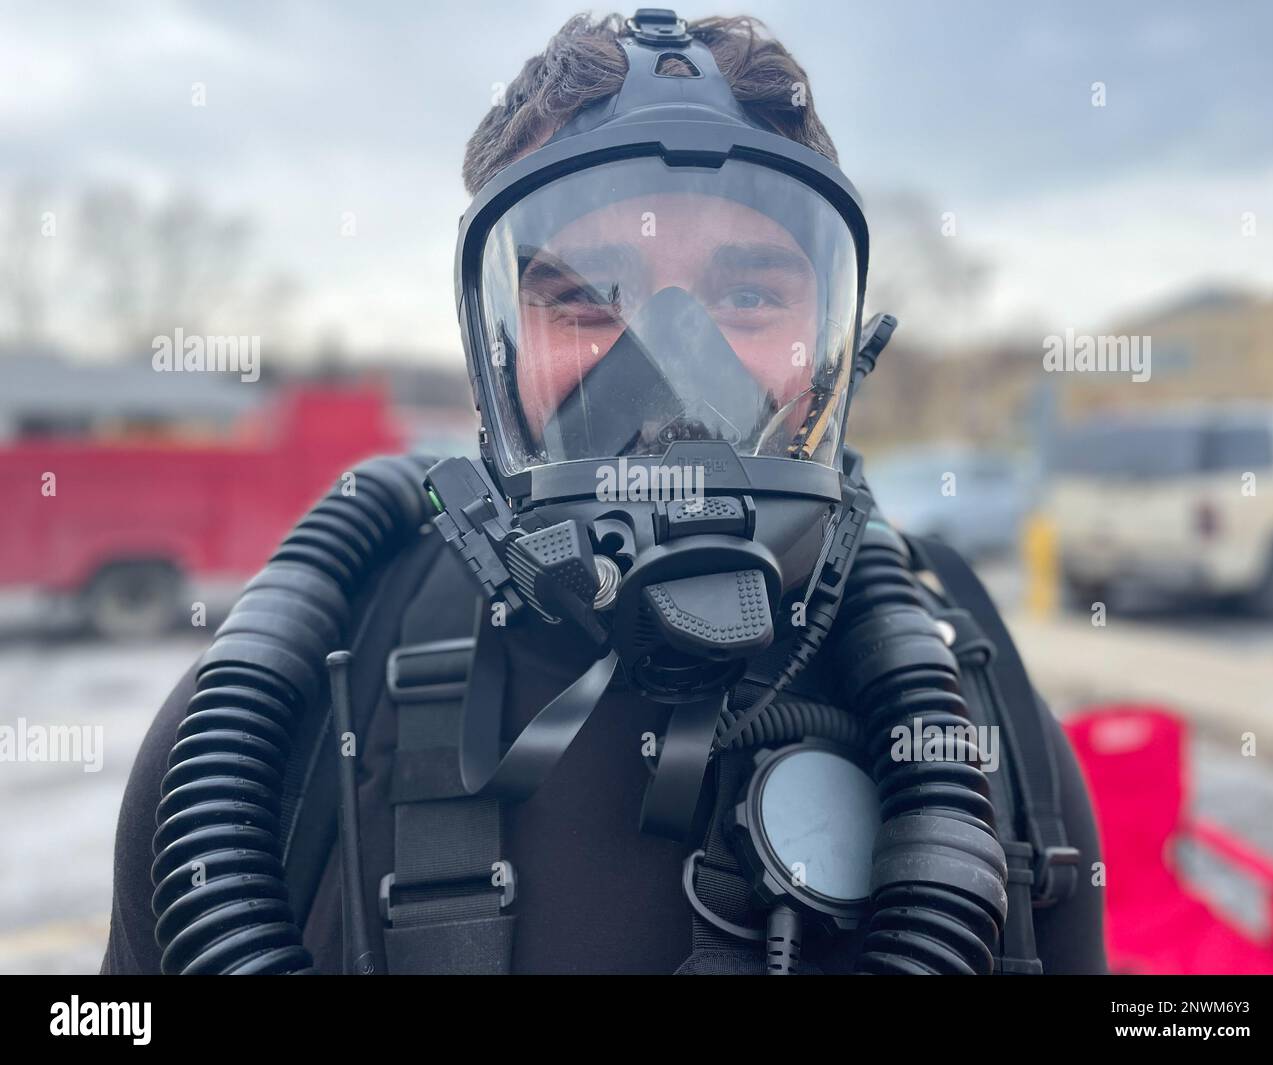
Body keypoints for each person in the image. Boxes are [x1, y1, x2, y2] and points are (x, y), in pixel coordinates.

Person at [103, 10, 1106, 976]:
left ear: (834, 357)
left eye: (749, 297)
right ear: (494, 352)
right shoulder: (288, 716)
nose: (667, 366)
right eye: (584, 301)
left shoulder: (974, 726)